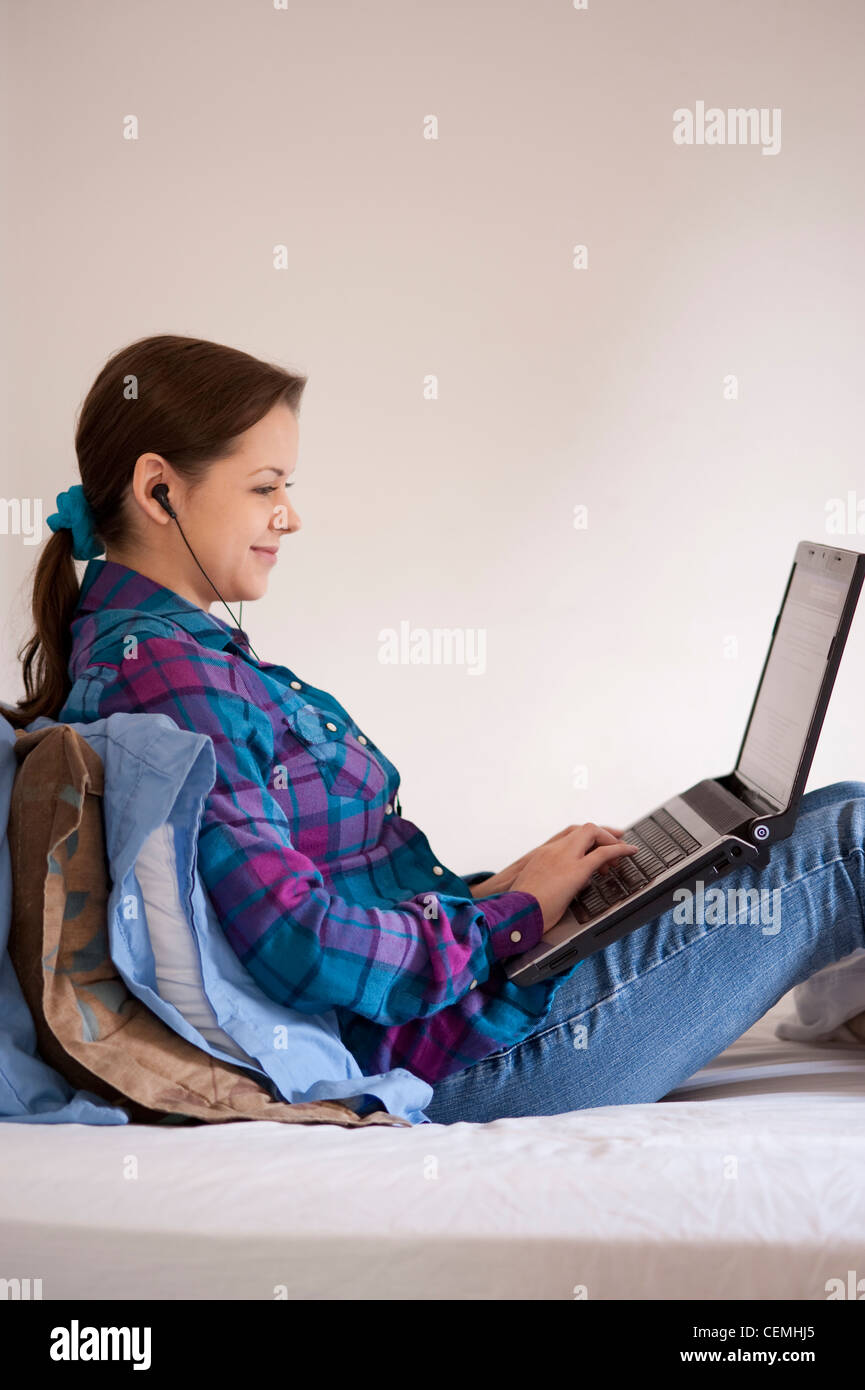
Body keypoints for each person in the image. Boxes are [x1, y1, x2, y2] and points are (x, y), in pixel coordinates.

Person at [4, 334, 865, 1126]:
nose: (288, 517)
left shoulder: (167, 653)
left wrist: (497, 894)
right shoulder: (170, 677)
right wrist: (514, 919)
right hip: (464, 1060)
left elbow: (323, 895)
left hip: (450, 1017)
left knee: (832, 807)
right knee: (848, 845)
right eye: (265, 488)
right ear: (160, 490)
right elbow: (302, 946)